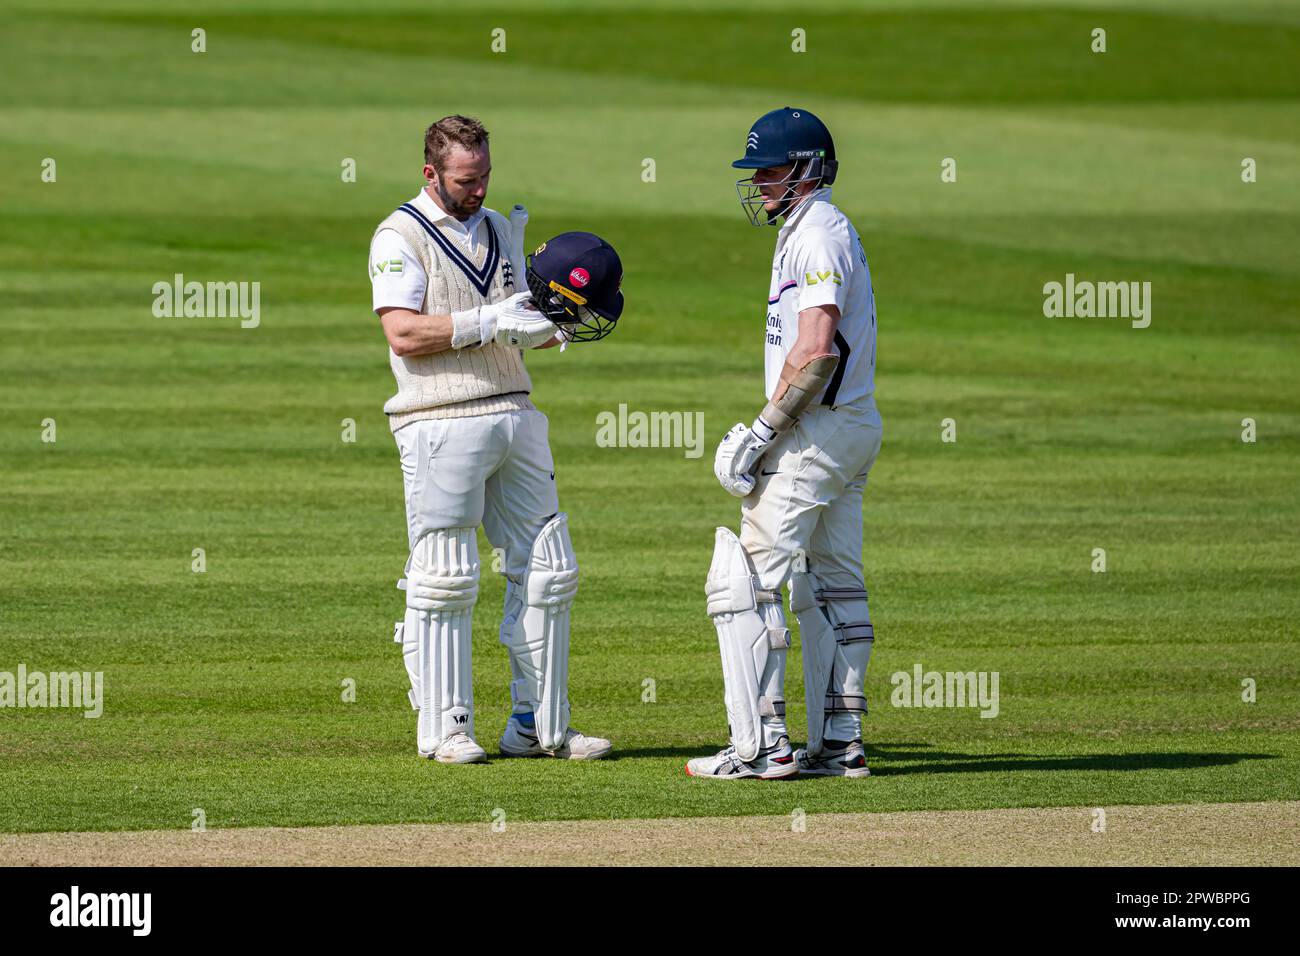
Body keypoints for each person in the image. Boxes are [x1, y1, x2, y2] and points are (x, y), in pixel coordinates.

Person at [368, 114, 615, 764]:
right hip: (439, 417)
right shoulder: (399, 236)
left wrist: (546, 326)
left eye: (484, 177)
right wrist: (485, 320)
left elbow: (518, 318)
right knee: (446, 573)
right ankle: (446, 729)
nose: (477, 190)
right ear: (431, 173)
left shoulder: (502, 229)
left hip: (516, 409)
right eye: (464, 180)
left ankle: (541, 727)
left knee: (546, 567)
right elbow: (403, 334)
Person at [687, 107, 883, 779]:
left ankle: (761, 746)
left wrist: (762, 433)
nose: (761, 183)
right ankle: (841, 742)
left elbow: (817, 349)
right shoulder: (812, 228)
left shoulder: (819, 234)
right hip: (850, 427)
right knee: (835, 584)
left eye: (770, 170)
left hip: (815, 433)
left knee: (749, 579)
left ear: (808, 170)